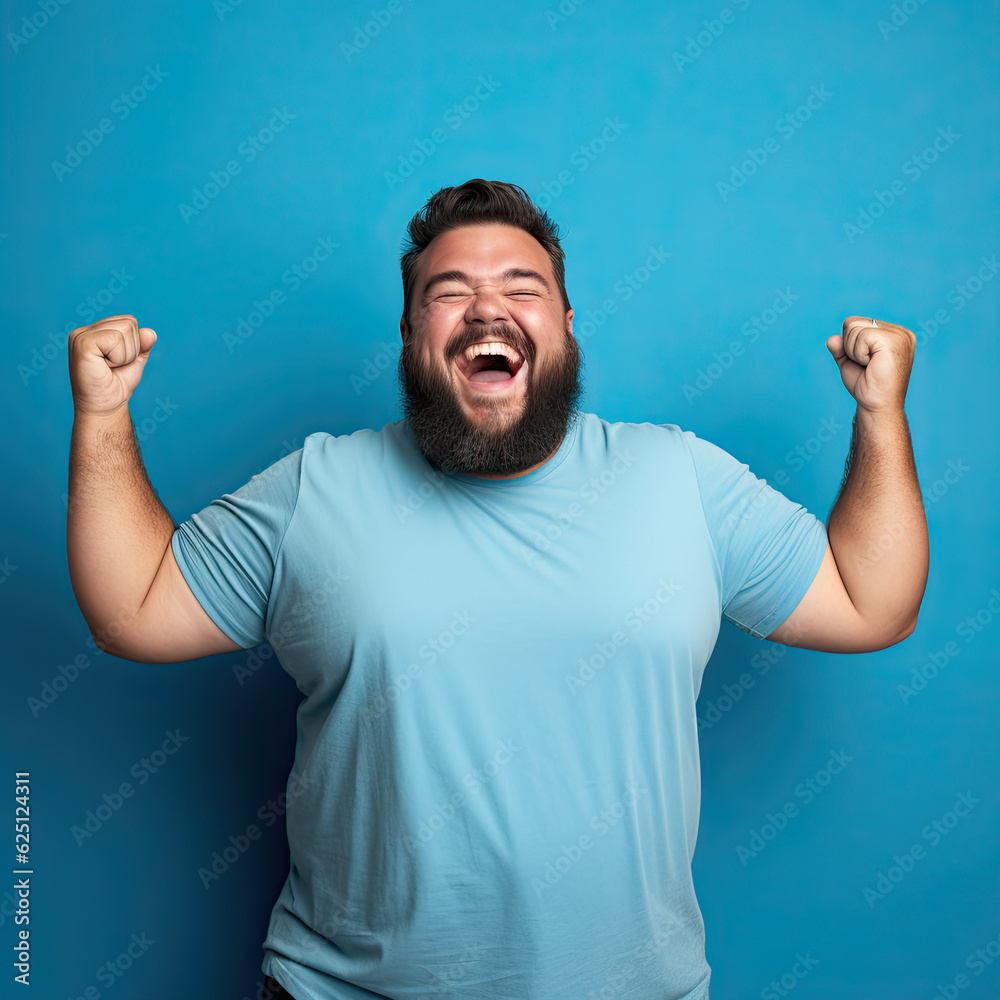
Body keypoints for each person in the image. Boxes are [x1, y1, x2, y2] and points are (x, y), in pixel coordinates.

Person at [66, 179, 928, 1000]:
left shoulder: (681, 479)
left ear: (566, 327)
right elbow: (133, 609)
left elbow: (870, 602)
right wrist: (102, 417)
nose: (487, 308)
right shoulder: (316, 488)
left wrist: (880, 415)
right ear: (409, 333)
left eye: (522, 286)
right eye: (450, 292)